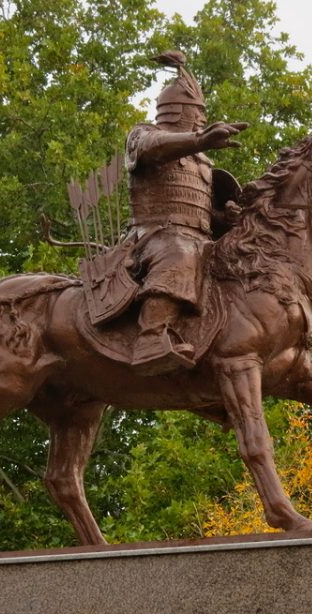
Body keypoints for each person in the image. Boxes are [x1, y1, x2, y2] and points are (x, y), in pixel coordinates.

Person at [125, 51, 247, 375]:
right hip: (154, 236)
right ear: (177, 110)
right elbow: (155, 148)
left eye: (202, 115)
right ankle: (151, 337)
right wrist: (198, 139)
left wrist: (224, 218)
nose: (201, 119)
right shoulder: (142, 135)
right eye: (196, 113)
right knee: (179, 252)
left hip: (199, 238)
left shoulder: (201, 161)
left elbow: (203, 213)